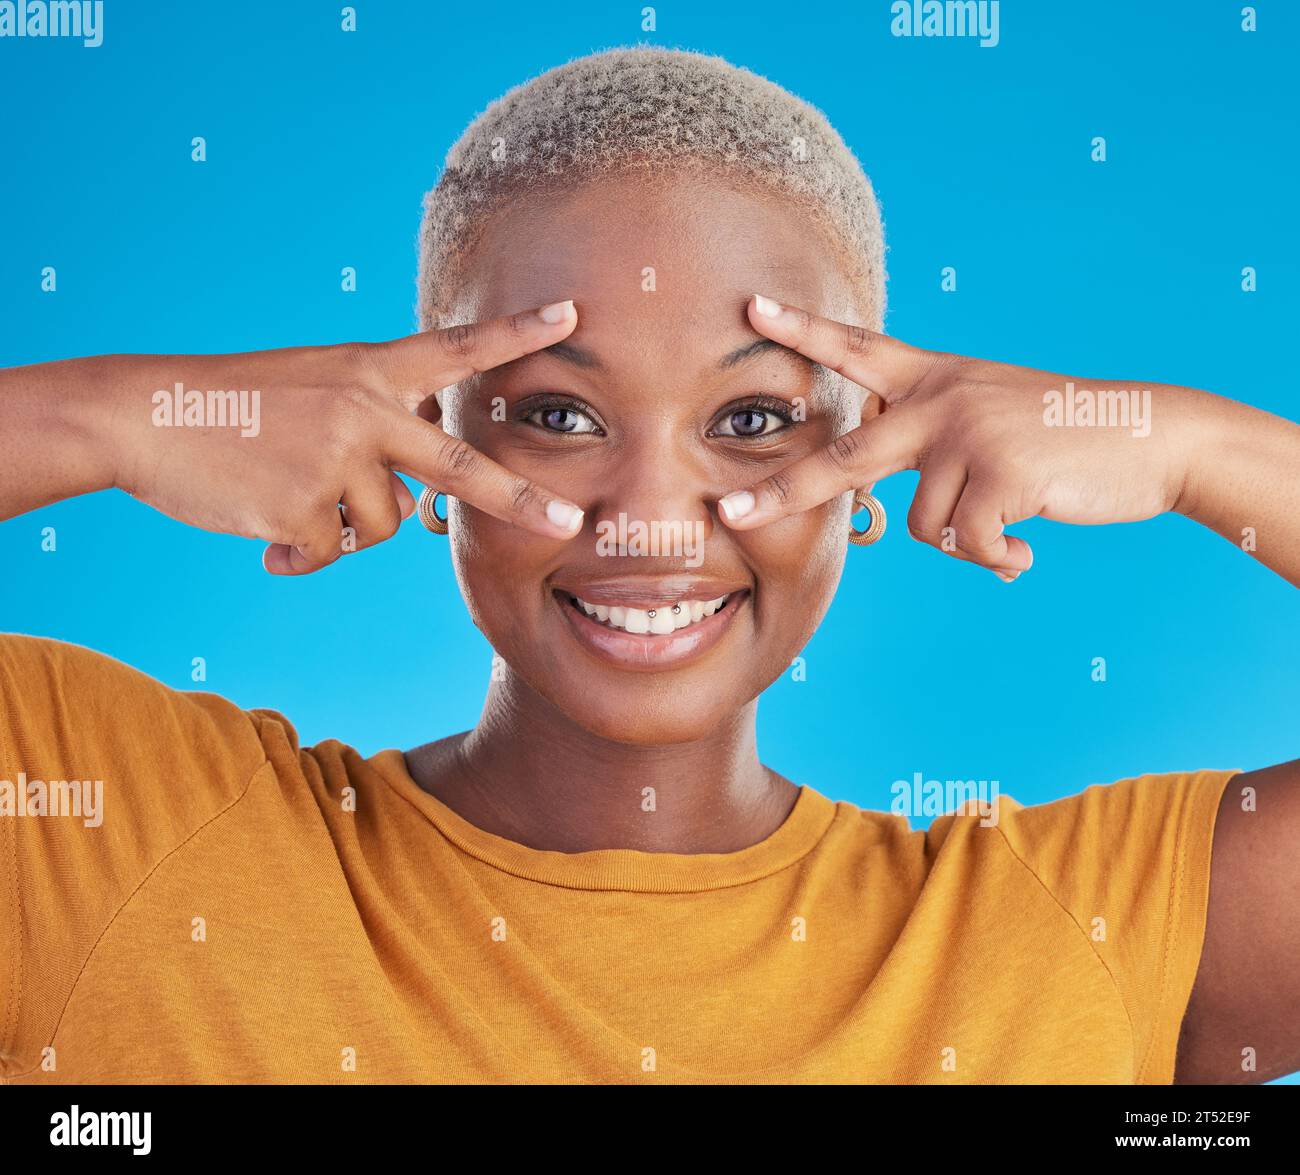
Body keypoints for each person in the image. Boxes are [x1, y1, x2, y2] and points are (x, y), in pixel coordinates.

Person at [1, 47, 1297, 1085]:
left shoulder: (1081, 934)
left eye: (754, 421)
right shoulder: (119, 841)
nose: (655, 516)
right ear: (429, 441)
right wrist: (115, 418)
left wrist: (1186, 444)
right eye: (558, 415)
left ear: (868, 459)